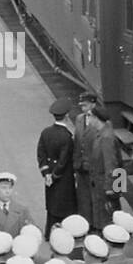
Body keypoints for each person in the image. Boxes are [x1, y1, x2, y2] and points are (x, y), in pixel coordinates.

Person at [36, 98, 77, 234]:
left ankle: (49, 231)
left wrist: (47, 174)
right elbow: (63, 160)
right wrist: (55, 176)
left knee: (52, 204)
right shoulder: (66, 137)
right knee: (65, 204)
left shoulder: (46, 132)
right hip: (63, 178)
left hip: (49, 177)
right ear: (66, 116)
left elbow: (40, 154)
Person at [71, 92, 102, 227]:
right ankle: (85, 225)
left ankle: (97, 225)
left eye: (85, 106)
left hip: (95, 168)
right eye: (81, 106)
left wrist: (118, 187)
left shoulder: (101, 122)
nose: (83, 108)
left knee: (96, 198)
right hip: (80, 166)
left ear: (93, 104)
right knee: (83, 197)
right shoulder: (79, 119)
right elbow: (77, 140)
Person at [90, 108, 121, 228]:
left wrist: (110, 187)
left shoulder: (106, 138)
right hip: (101, 181)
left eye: (90, 116)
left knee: (106, 217)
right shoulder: (103, 133)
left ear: (96, 118)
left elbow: (111, 164)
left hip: (104, 184)